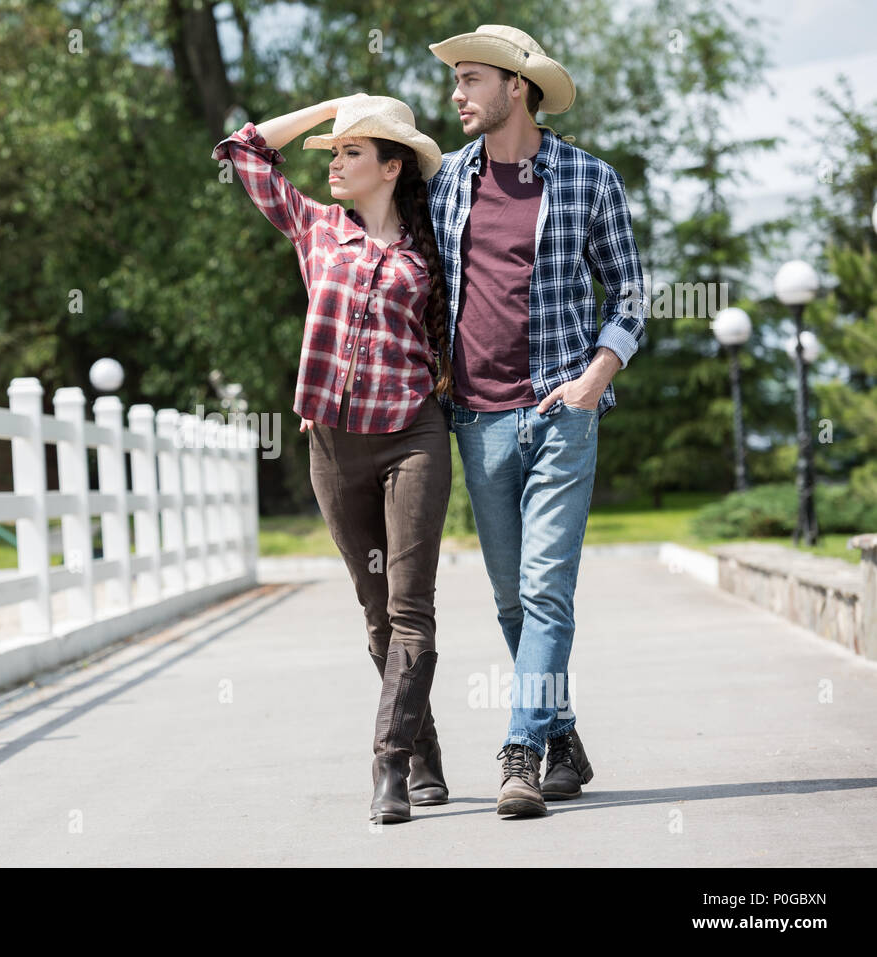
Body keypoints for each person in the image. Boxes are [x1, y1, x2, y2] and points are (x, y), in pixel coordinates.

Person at [424, 25, 649, 816]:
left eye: (471, 79)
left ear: (516, 86)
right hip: (477, 420)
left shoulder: (588, 179)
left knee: (546, 591)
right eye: (456, 81)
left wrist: (594, 379)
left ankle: (520, 751)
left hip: (561, 413)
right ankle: (564, 737)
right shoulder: (447, 180)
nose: (457, 94)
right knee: (512, 602)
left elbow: (628, 297)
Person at [211, 95, 454, 824]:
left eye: (352, 151)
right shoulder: (314, 227)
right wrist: (332, 110)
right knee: (376, 611)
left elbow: (450, 345)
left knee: (412, 608)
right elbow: (242, 149)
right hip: (332, 445)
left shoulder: (432, 251)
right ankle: (423, 746)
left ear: (392, 165)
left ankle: (387, 769)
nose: (337, 161)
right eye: (335, 152)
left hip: (413, 435)